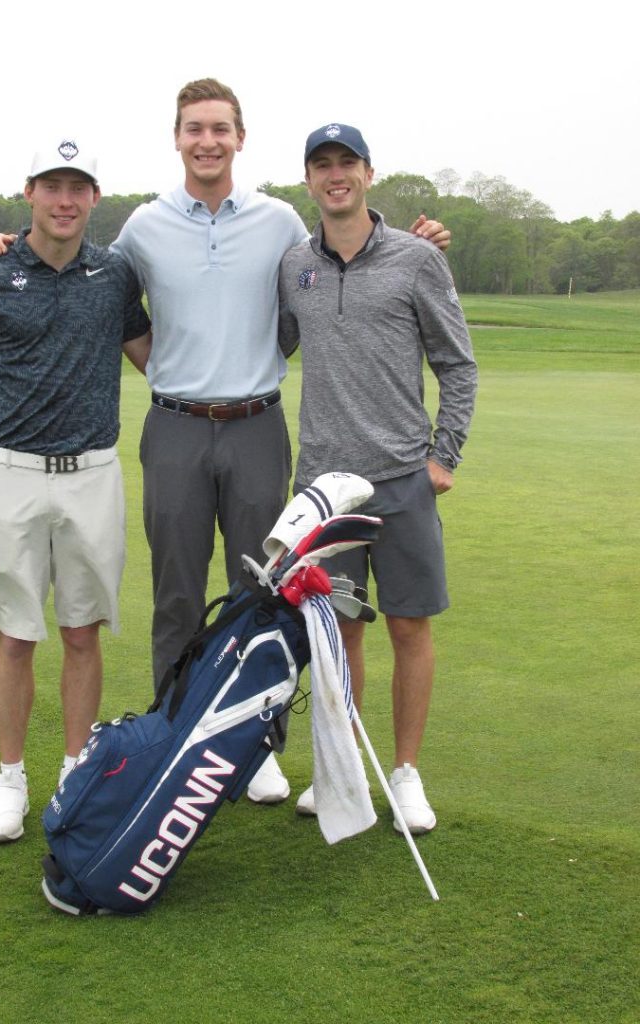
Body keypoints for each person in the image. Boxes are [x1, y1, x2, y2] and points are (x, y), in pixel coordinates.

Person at [0, 82, 450, 806]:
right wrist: (7, 243)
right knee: (175, 596)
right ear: (177, 138)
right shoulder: (143, 226)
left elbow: (338, 259)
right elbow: (79, 260)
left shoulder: (278, 220)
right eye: (194, 128)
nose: (207, 141)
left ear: (239, 138)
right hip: (174, 428)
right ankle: (174, 735)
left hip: (258, 426)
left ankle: (253, 746)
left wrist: (410, 245)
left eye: (220, 129)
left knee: (259, 595)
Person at [0, 140, 151, 843]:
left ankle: (75, 768)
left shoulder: (115, 274)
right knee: (14, 637)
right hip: (9, 473)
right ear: (30, 191)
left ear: (94, 198)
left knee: (83, 632)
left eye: (80, 187)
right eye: (53, 186)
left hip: (94, 473)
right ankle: (10, 777)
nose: (66, 200)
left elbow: (153, 357)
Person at [278, 124, 477, 833]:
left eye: (347, 164)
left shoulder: (418, 259)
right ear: (308, 179)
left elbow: (457, 364)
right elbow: (270, 343)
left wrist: (443, 457)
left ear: (367, 172)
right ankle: (340, 768)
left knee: (408, 627)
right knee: (338, 635)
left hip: (400, 478)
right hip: (324, 487)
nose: (336, 176)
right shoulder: (293, 265)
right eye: (322, 165)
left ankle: (406, 772)